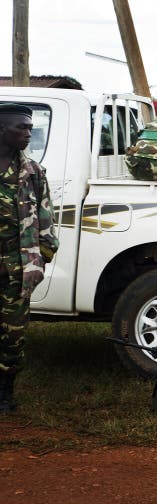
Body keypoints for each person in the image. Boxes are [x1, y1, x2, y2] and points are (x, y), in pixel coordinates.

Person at [0, 103, 60, 413]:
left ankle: (5, 392)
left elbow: (47, 219)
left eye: (29, 127)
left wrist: (43, 257)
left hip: (17, 265)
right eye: (20, 128)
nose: (27, 133)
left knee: (13, 332)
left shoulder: (33, 172)